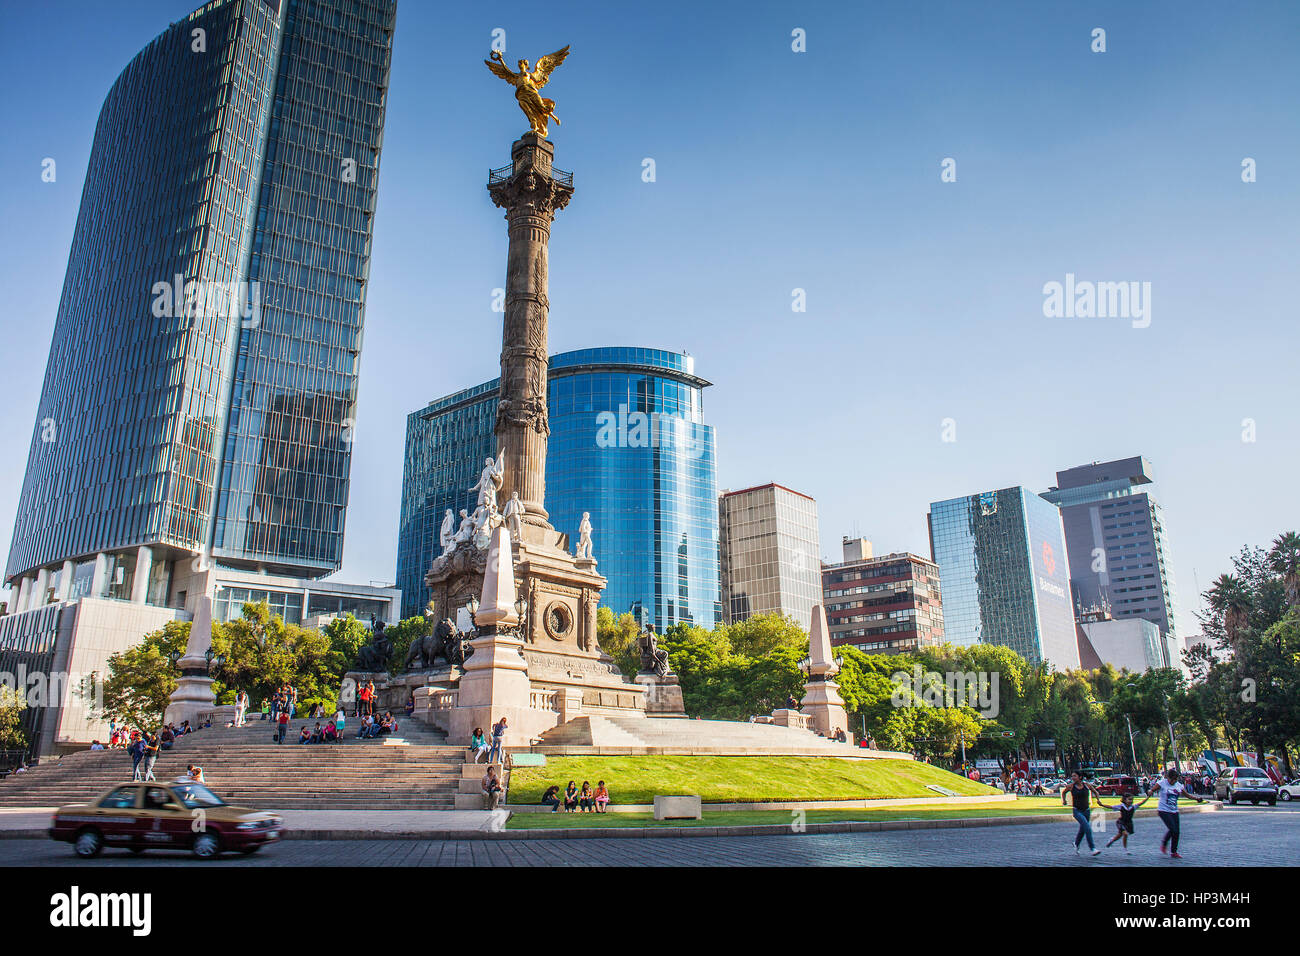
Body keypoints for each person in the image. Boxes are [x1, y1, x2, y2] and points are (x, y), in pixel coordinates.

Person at [1151, 768, 1205, 859]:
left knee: (1177, 832)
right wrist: (1150, 792)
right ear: (1168, 778)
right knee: (1173, 829)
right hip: (1163, 810)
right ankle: (1164, 843)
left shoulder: (1178, 785)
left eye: (1175, 780)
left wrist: (1196, 799)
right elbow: (1152, 790)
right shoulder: (1162, 783)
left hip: (1174, 811)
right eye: (1172, 779)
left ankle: (1174, 852)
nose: (1173, 781)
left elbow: (1187, 795)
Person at [1062, 771, 1101, 856]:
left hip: (1086, 811)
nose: (1073, 778)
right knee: (1087, 828)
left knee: (1082, 830)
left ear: (1080, 777)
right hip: (1077, 811)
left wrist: (1098, 800)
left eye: (1074, 776)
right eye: (1072, 776)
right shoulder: (1071, 786)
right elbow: (1063, 792)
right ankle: (1092, 848)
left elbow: (1096, 792)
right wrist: (1064, 800)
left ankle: (1076, 843)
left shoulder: (1087, 785)